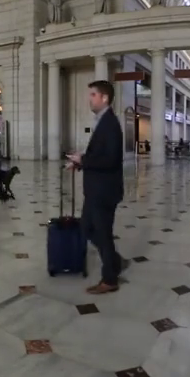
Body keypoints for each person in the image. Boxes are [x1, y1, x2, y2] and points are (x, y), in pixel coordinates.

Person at [66, 80, 124, 295]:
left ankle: (110, 278)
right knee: (87, 228)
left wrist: (83, 160)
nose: (89, 99)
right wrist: (79, 162)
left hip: (104, 192)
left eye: (92, 95)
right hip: (96, 190)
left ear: (104, 98)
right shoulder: (102, 121)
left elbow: (110, 160)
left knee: (102, 233)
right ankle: (114, 261)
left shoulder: (110, 123)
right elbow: (98, 156)